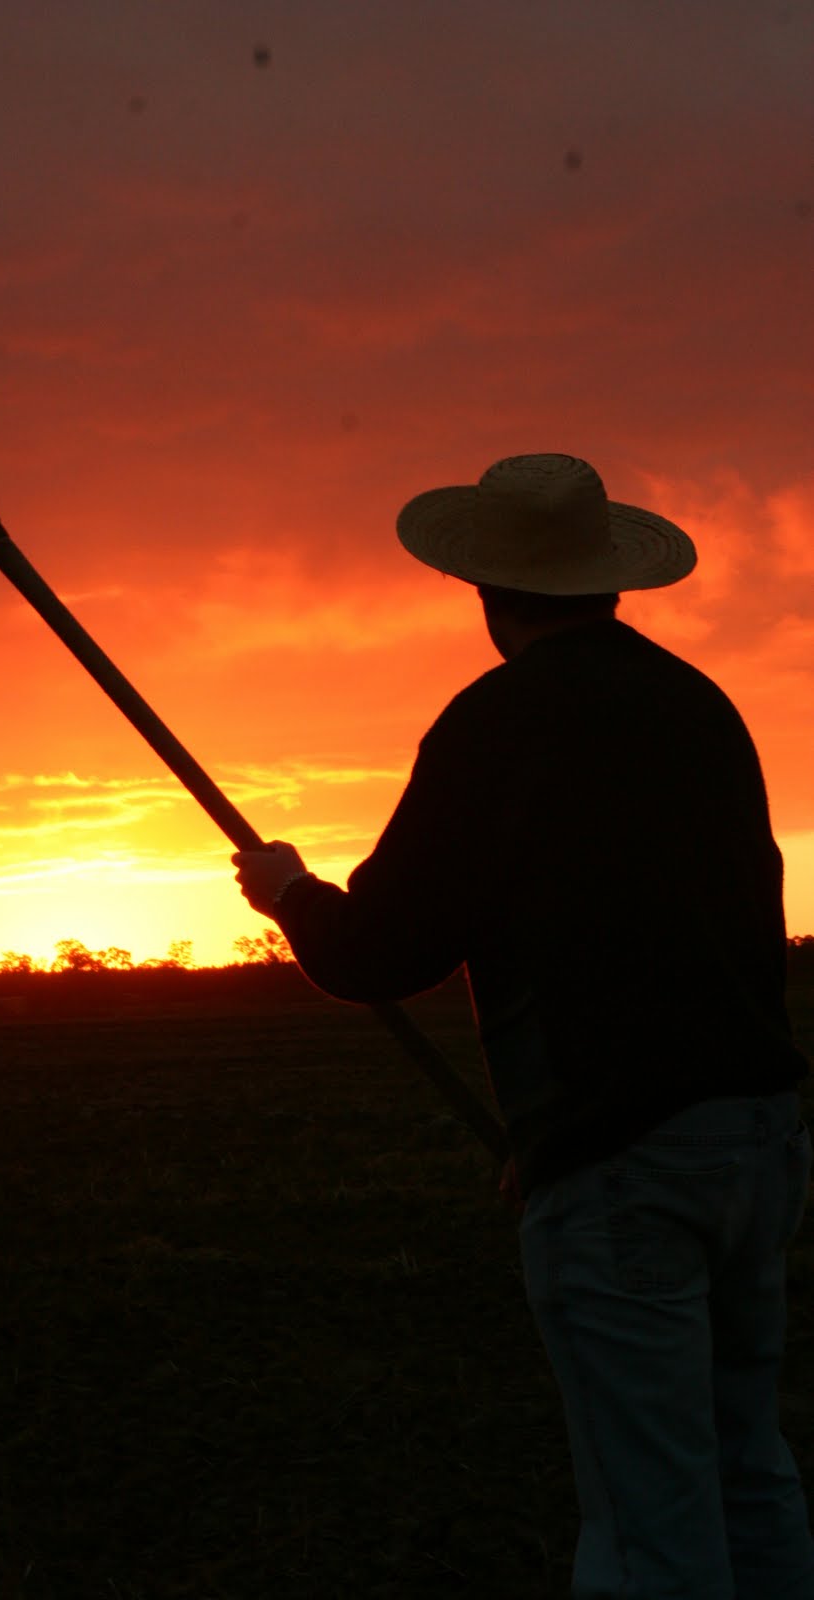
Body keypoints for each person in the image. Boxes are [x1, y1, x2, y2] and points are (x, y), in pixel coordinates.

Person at [232, 453, 814, 1599]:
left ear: (485, 590)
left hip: (622, 1174)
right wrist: (560, 1136)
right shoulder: (700, 708)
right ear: (608, 582)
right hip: (756, 1140)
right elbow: (727, 926)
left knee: (650, 1522)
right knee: (748, 1468)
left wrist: (290, 892)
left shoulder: (498, 722)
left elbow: (380, 952)